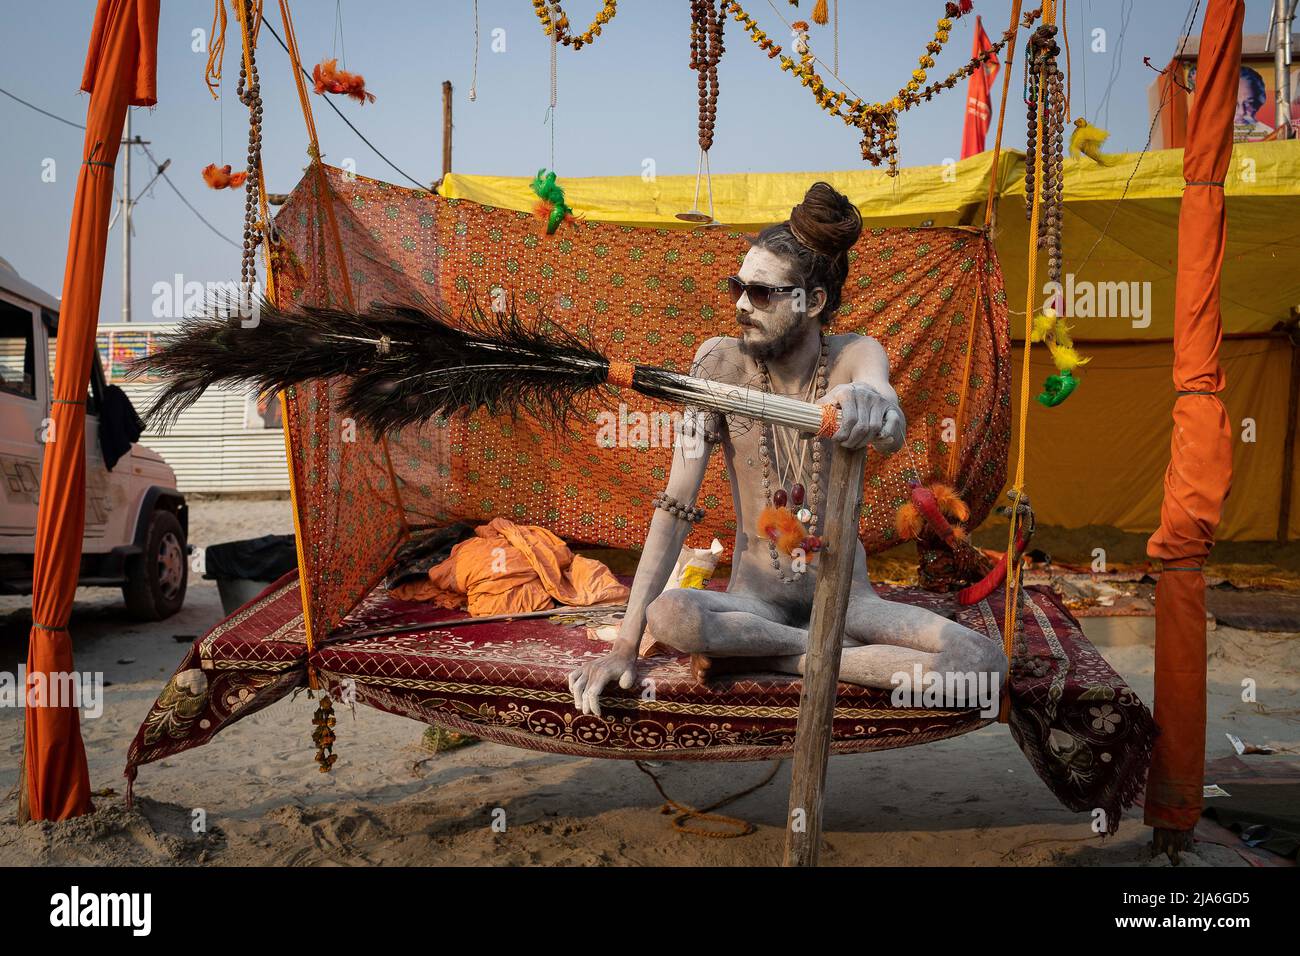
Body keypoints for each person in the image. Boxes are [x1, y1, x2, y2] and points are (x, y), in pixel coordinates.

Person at [568, 182, 1006, 717]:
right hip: (756, 599)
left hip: (846, 598)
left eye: (760, 293)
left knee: (981, 662)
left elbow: (886, 408)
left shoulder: (854, 356)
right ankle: (818, 653)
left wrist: (864, 401)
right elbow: (675, 504)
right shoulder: (717, 366)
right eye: (737, 288)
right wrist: (623, 647)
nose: (740, 306)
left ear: (813, 301)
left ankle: (772, 657)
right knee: (673, 616)